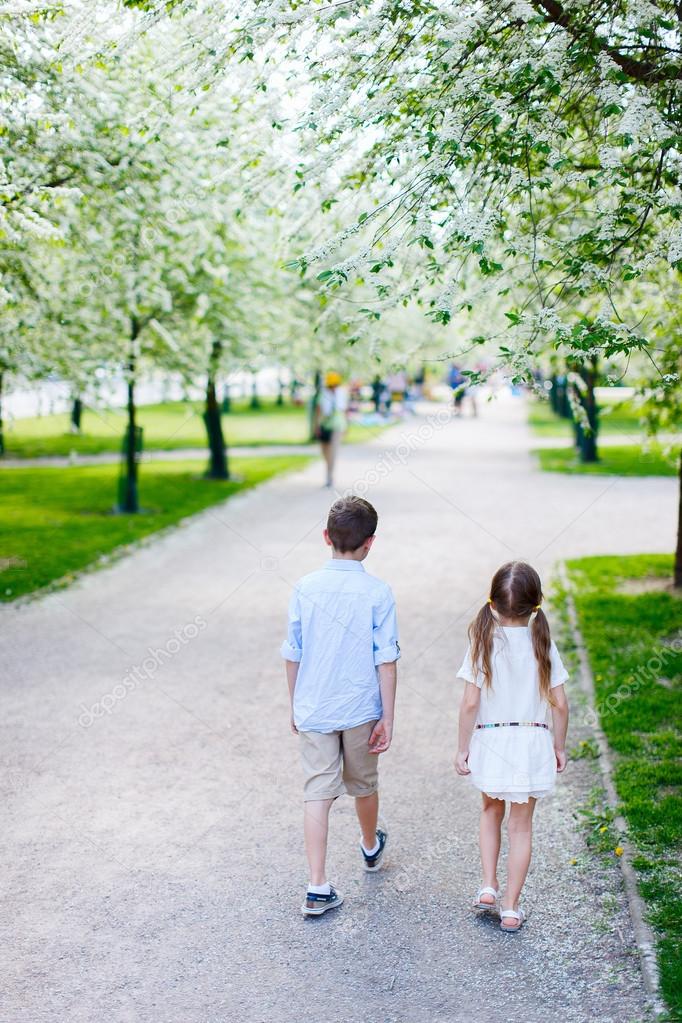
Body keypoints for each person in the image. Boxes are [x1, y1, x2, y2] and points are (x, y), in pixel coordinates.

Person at [281, 496, 400, 917]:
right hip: (359, 708)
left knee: (318, 791)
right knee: (364, 784)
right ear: (370, 543)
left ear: (326, 537)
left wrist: (295, 705)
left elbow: (293, 652)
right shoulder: (377, 592)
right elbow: (385, 660)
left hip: (314, 706)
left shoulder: (305, 587)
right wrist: (387, 715)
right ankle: (370, 845)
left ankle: (317, 885)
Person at [454, 561, 569, 933]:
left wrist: (462, 747)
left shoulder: (483, 642)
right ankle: (511, 908)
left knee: (490, 811)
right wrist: (559, 745)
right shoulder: (542, 644)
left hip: (492, 738)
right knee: (521, 827)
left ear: (492, 605)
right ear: (536, 607)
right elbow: (561, 704)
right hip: (532, 740)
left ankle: (489, 885)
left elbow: (470, 703)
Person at [313, 371, 348, 488]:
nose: (333, 387)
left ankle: (329, 477)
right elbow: (317, 411)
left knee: (333, 452)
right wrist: (316, 426)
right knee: (325, 452)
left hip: (338, 426)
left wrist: (346, 427)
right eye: (331, 385)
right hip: (324, 426)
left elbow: (345, 411)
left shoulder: (342, 394)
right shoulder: (322, 395)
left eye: (335, 385)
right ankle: (329, 471)